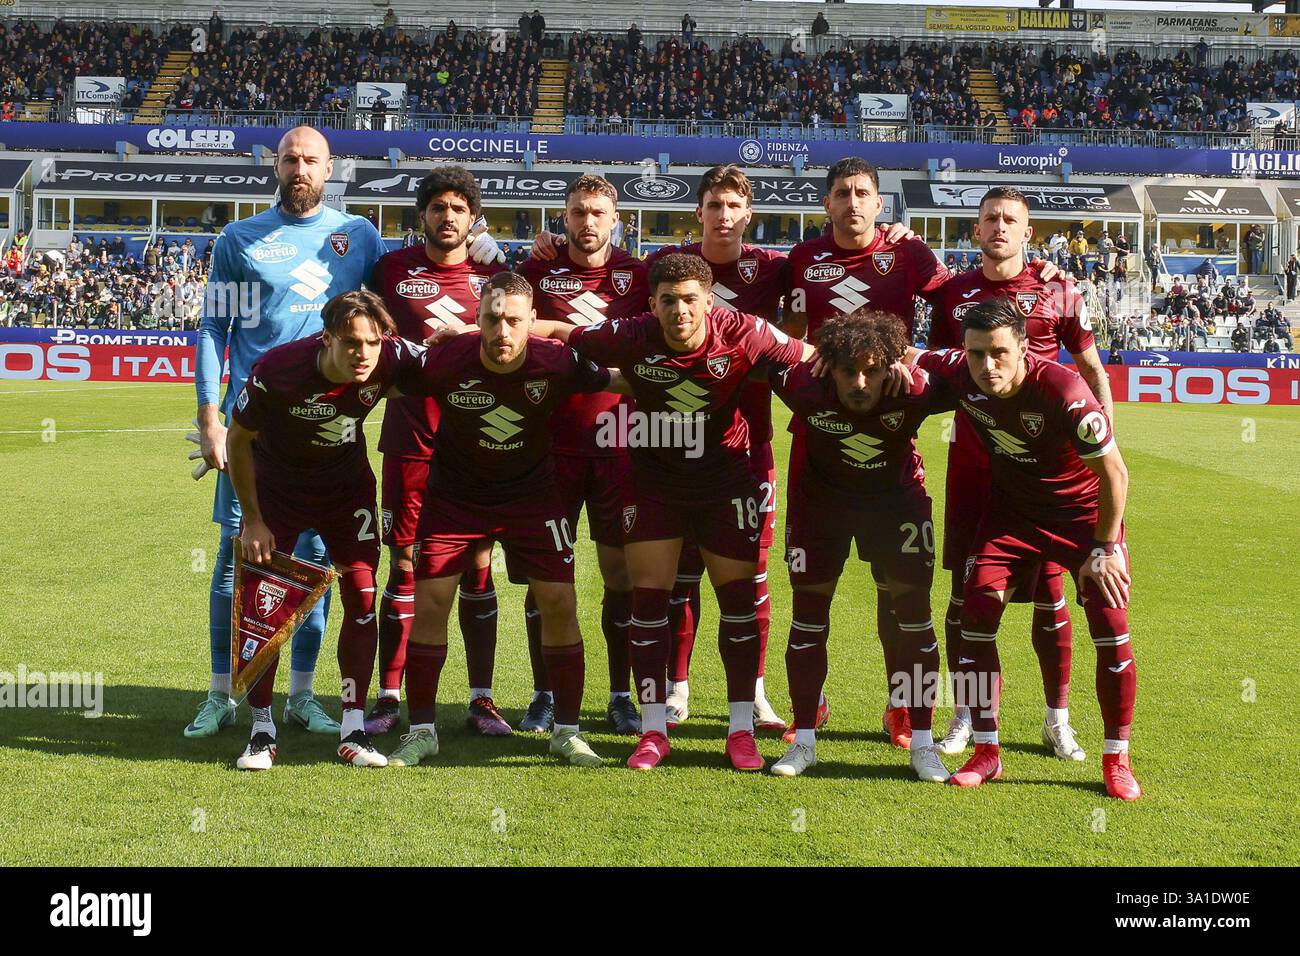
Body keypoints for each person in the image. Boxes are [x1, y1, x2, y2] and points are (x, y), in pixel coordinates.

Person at [534, 253, 814, 771]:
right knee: (649, 603)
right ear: (652, 304)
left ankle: (739, 730)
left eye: (690, 300)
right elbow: (557, 329)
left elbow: (812, 358)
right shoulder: (632, 332)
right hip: (655, 483)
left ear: (710, 302)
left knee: (737, 603)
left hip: (726, 480)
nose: (679, 311)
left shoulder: (746, 331)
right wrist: (472, 335)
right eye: (668, 301)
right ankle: (654, 729)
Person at [187, 127, 388, 740]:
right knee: (235, 560)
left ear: (331, 169)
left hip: (327, 431)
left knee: (318, 561)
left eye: (310, 160)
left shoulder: (358, 237)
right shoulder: (239, 239)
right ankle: (225, 692)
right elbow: (211, 330)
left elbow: (381, 324)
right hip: (256, 430)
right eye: (289, 159)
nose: (299, 168)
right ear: (275, 166)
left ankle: (302, 694)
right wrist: (209, 417)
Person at [913, 298, 1142, 801]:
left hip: (1081, 517)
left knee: (1109, 621)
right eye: (976, 354)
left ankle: (1115, 758)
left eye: (998, 353)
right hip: (1011, 513)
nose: (986, 366)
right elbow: (905, 355)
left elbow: (1116, 474)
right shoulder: (959, 369)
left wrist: (1105, 547)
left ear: (1023, 347)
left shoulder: (1063, 390)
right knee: (974, 615)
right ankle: (987, 751)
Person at [387, 271, 618, 769]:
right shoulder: (447, 358)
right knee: (430, 604)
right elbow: (384, 375)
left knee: (558, 601)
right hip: (455, 499)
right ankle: (422, 730)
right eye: (492, 318)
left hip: (532, 497)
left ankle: (567, 732)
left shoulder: (555, 360)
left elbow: (616, 380)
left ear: (533, 322)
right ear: (476, 319)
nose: (502, 331)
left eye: (514, 320)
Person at [927, 186, 1109, 759]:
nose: (999, 227)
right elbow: (935, 372)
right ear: (975, 231)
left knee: (1054, 594)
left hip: (1045, 476)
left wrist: (1106, 445)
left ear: (1028, 232)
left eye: (1010, 220)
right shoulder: (952, 294)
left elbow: (1089, 365)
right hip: (975, 470)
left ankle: (1058, 718)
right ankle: (968, 715)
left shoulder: (1059, 288)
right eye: (989, 219)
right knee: (966, 595)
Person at [225, 292, 425, 769]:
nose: (364, 353)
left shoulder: (390, 357)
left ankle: (354, 730)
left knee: (360, 597)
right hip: (278, 496)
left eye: (373, 343)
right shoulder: (279, 370)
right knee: (263, 610)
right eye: (353, 343)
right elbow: (238, 438)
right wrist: (252, 519)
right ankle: (261, 730)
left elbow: (444, 364)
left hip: (346, 492)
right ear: (328, 337)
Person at [768, 309, 954, 782]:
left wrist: (913, 363)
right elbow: (756, 352)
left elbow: (964, 377)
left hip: (896, 508)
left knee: (914, 622)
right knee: (809, 618)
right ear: (828, 366)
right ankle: (805, 739)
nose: (859, 382)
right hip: (820, 510)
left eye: (871, 370)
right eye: (848, 370)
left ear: (888, 367)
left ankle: (924, 742)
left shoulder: (915, 392)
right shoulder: (803, 386)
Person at [366, 166, 504, 737]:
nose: (447, 217)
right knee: (402, 564)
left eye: (458, 208)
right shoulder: (392, 270)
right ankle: (389, 696)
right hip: (410, 440)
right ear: (421, 215)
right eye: (437, 207)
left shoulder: (496, 275)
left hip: (475, 444)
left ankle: (481, 699)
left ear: (474, 218)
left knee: (476, 565)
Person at [515, 176, 651, 734]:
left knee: (620, 573)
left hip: (622, 447)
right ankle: (543, 692)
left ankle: (621, 694)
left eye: (598, 212)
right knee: (545, 575)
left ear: (616, 219)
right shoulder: (536, 271)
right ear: (563, 217)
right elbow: (507, 321)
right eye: (578, 212)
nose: (588, 222)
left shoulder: (640, 277)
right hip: (550, 447)